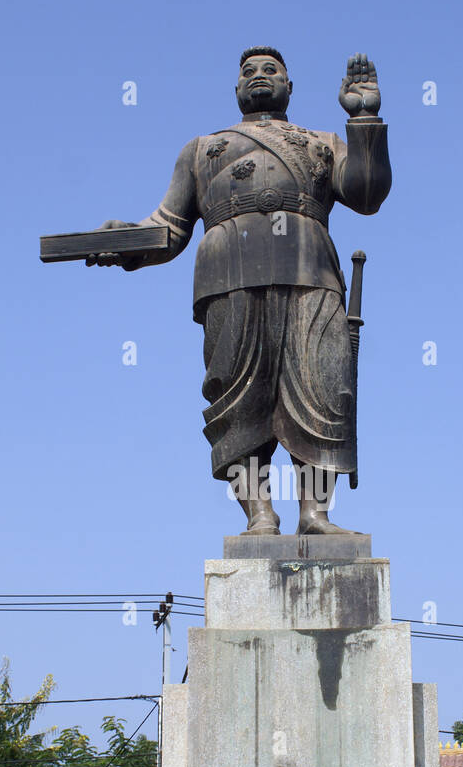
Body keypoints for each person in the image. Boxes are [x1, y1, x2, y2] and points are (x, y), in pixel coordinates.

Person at [88, 48, 391, 534]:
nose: (259, 77)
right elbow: (169, 226)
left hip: (310, 268)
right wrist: (123, 242)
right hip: (228, 273)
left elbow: (367, 195)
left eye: (271, 70)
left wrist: (364, 119)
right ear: (235, 90)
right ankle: (259, 515)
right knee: (238, 396)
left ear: (290, 86)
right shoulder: (202, 149)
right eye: (248, 72)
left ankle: (315, 514)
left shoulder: (320, 142)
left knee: (322, 386)